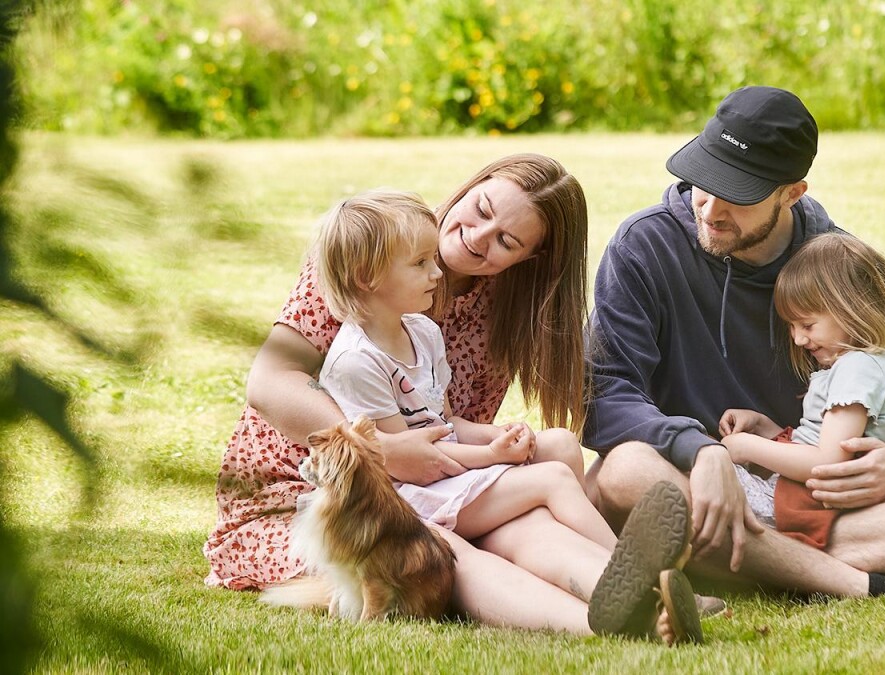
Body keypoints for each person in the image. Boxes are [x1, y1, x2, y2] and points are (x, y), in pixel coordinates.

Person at [202, 154, 703, 642]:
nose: (477, 237)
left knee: (542, 473)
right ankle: (604, 614)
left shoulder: (496, 313)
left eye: (506, 240)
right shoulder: (370, 255)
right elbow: (270, 381)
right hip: (322, 497)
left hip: (423, 480)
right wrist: (377, 450)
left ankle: (647, 593)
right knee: (440, 545)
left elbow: (440, 429)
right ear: (469, 186)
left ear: (532, 258)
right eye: (482, 209)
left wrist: (493, 448)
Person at [584, 86, 885, 601]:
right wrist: (702, 452)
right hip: (687, 481)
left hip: (802, 497)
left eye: (737, 193)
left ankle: (724, 561)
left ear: (792, 192)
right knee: (624, 473)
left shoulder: (842, 270)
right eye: (701, 180)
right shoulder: (644, 246)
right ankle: (868, 584)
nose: (710, 208)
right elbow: (605, 399)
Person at [313, 188, 615, 548]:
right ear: (368, 277)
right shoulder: (356, 362)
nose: (436, 272)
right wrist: (490, 456)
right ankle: (632, 571)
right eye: (420, 263)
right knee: (553, 480)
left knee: (561, 444)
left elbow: (445, 425)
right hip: (408, 499)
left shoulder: (422, 332)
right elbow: (407, 461)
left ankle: (585, 558)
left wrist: (495, 435)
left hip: (446, 476)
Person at [719, 232, 885, 552]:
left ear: (850, 310)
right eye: (792, 327)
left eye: (807, 325)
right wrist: (765, 428)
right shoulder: (876, 360)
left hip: (812, 503)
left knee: (707, 482)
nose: (799, 340)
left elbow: (827, 461)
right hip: (817, 495)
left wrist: (745, 446)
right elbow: (820, 440)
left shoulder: (858, 368)